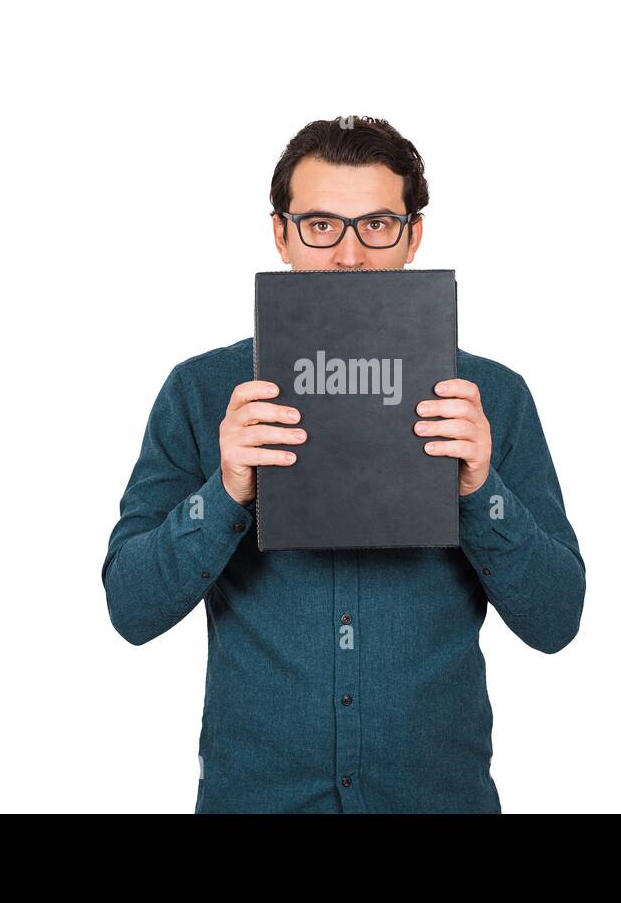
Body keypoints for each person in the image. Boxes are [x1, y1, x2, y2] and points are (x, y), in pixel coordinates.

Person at [101, 115, 586, 813]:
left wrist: (483, 491)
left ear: (414, 235)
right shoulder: (200, 392)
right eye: (321, 225)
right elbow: (130, 608)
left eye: (378, 225)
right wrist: (225, 490)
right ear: (281, 233)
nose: (350, 255)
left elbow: (557, 619)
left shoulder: (491, 399)